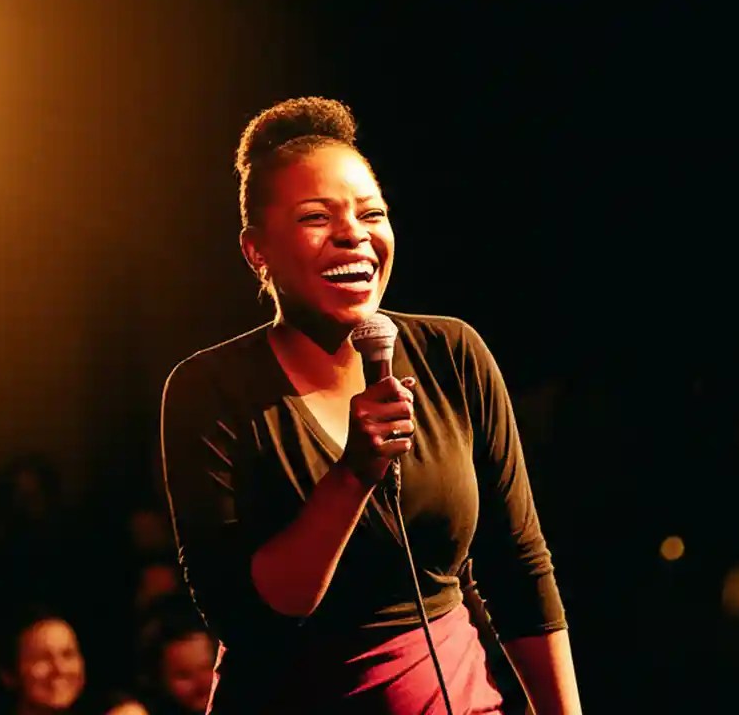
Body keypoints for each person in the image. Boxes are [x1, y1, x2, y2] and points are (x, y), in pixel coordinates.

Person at [160, 96, 583, 714]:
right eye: (316, 217)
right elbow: (245, 615)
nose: (353, 233)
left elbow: (520, 568)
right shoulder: (209, 389)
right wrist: (353, 473)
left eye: (371, 213)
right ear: (257, 252)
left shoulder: (452, 353)